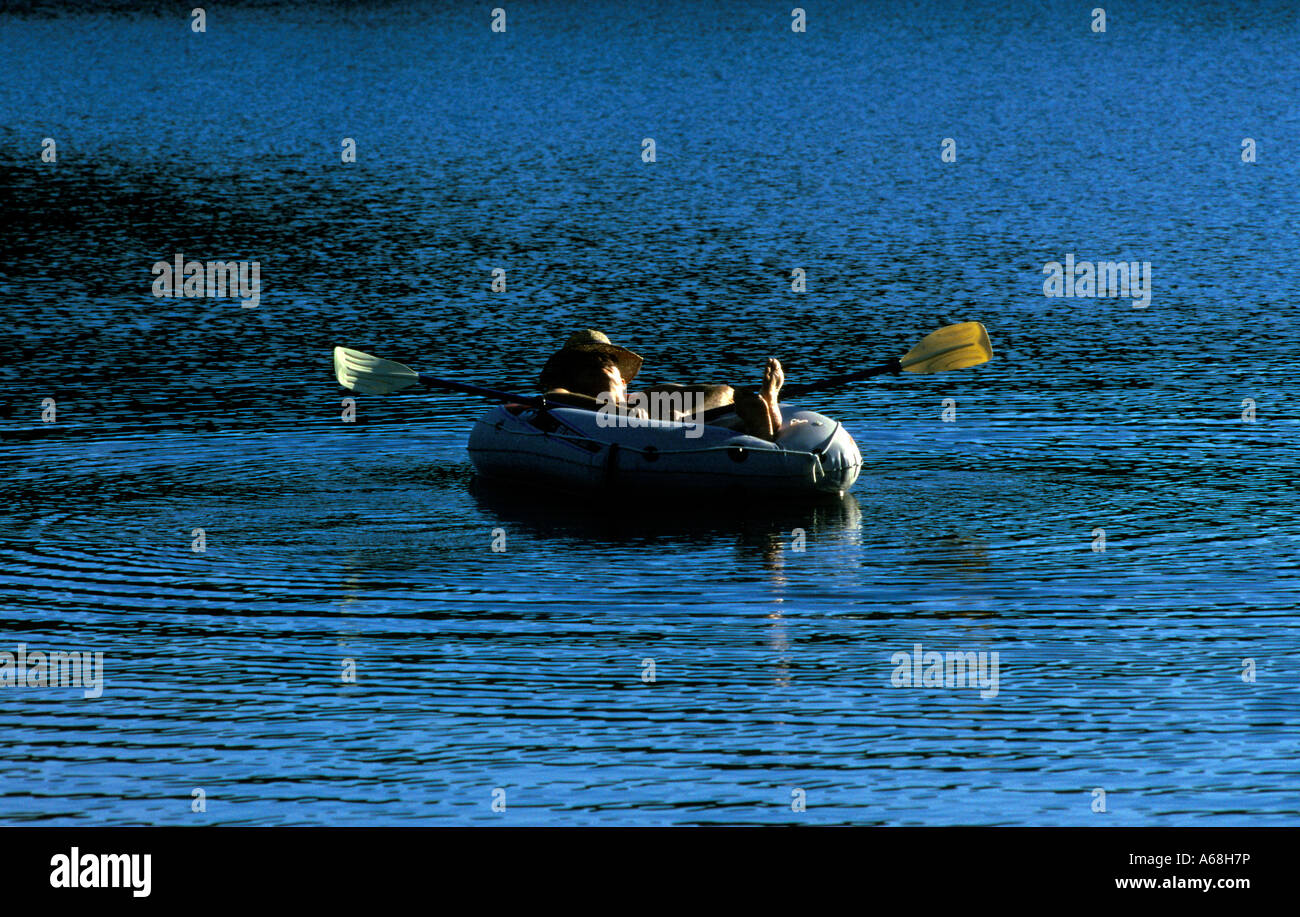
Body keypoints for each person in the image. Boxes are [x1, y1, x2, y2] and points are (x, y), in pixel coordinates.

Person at [538, 330, 786, 440]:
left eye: (603, 360)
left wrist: (682, 414)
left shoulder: (646, 398)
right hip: (630, 428)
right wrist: (617, 411)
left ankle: (767, 409)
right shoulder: (566, 396)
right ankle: (766, 416)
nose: (595, 367)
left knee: (720, 404)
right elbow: (553, 398)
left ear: (623, 382)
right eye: (585, 363)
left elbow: (723, 391)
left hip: (673, 424)